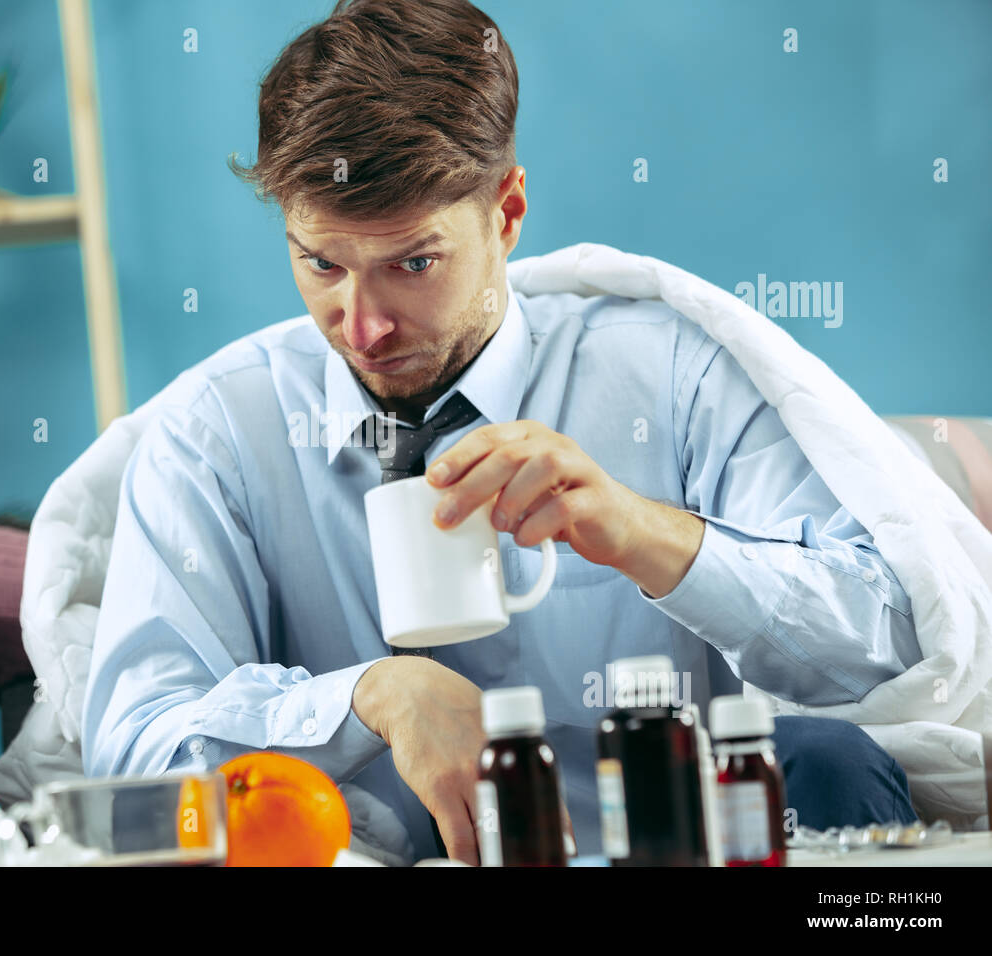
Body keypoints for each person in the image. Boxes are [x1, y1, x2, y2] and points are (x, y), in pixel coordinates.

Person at [82, 0, 920, 864]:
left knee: (832, 762)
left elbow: (883, 639)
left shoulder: (672, 376)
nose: (362, 326)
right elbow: (132, 753)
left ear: (507, 213)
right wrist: (372, 696)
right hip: (374, 853)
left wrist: (645, 535)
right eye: (322, 264)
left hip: (672, 842)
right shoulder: (216, 435)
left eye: (414, 263)